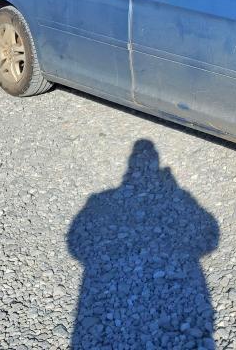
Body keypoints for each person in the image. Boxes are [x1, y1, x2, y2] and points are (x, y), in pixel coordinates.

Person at [68, 139, 219, 349]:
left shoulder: (99, 199)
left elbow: (75, 243)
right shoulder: (179, 196)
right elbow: (211, 236)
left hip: (99, 292)